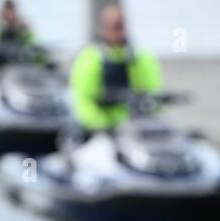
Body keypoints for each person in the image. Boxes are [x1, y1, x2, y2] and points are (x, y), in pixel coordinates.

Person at [68, 3, 163, 134]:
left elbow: (154, 94)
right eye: (113, 27)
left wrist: (145, 118)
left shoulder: (142, 58)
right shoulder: (88, 59)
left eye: (120, 26)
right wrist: (104, 126)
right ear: (103, 28)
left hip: (135, 127)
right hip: (101, 131)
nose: (117, 32)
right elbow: (82, 102)